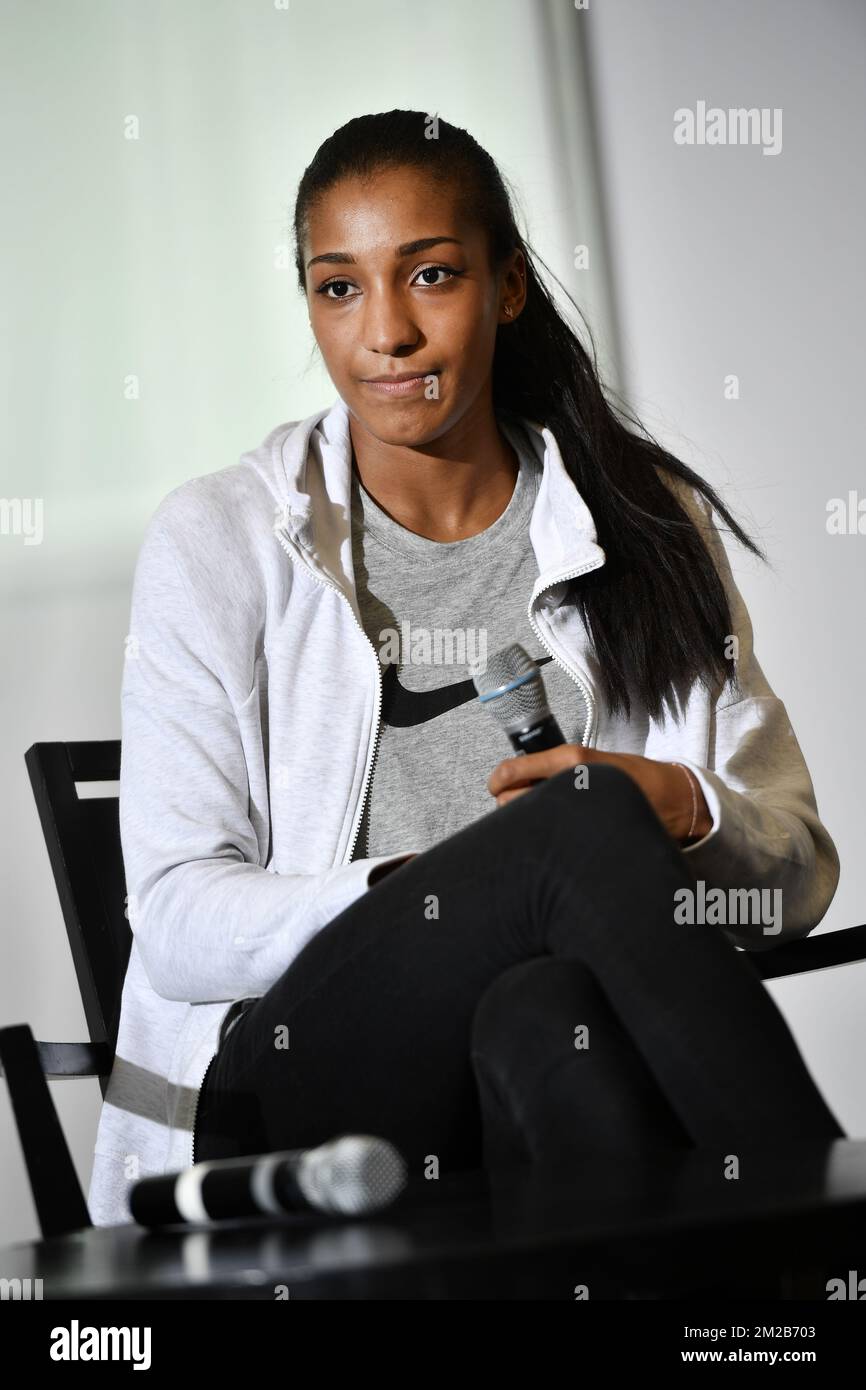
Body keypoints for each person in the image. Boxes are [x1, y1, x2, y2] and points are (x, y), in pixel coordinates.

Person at [87, 111, 844, 1228]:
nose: (384, 332)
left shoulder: (641, 525)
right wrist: (449, 892)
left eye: (429, 275)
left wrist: (680, 805)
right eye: (337, 287)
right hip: (290, 1088)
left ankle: (739, 1328)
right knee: (576, 824)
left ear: (507, 287)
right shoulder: (223, 537)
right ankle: (835, 1243)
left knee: (544, 1009)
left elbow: (793, 885)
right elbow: (177, 917)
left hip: (513, 1070)